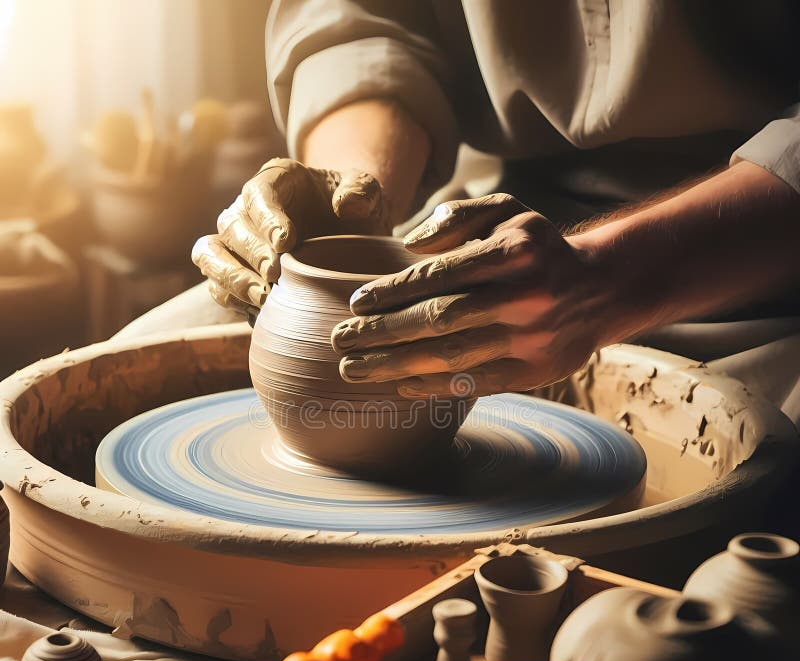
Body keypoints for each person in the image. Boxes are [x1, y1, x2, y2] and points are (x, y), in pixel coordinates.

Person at [186, 1, 800, 422]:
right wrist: (355, 191)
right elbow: (367, 26)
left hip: (761, 259)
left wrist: (608, 278)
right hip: (483, 232)